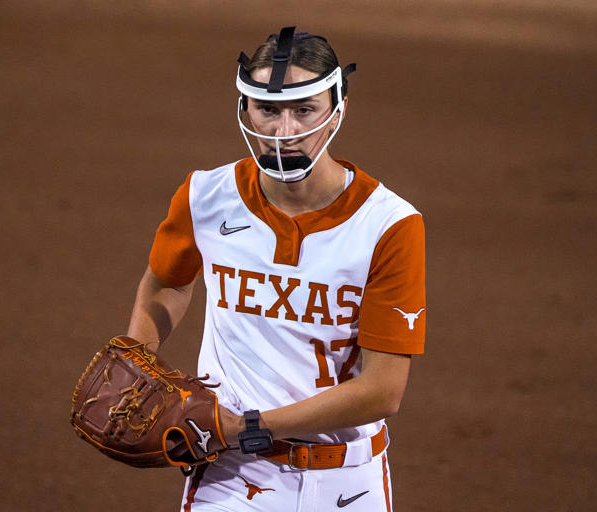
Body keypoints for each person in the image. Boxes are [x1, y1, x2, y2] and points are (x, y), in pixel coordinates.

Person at [126, 26, 425, 512]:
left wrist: (243, 428)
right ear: (246, 109)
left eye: (304, 109)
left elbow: (382, 391)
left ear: (337, 109)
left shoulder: (389, 224)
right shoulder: (206, 196)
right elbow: (167, 280)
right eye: (269, 110)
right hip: (234, 478)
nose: (285, 132)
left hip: (349, 482)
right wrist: (138, 360)